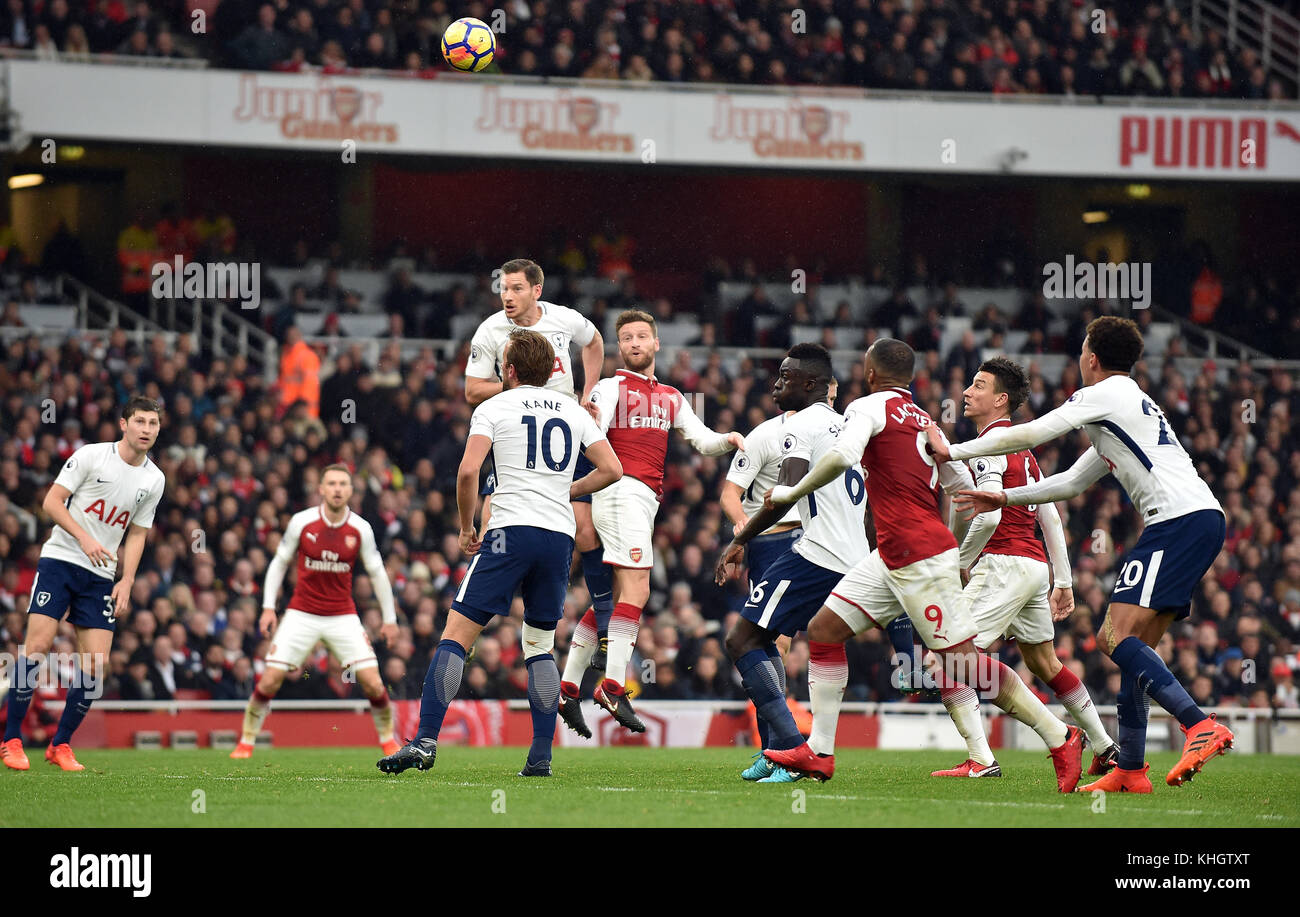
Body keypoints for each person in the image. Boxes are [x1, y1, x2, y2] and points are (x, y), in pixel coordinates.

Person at [762, 340, 1085, 791]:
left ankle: (1060, 735)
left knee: (963, 665)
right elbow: (959, 485)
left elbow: (842, 456)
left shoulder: (867, 406)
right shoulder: (925, 420)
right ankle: (820, 750)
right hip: (898, 553)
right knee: (824, 630)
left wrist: (790, 493)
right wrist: (950, 542)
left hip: (917, 556)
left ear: (871, 373)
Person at [929, 317, 1231, 792]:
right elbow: (1070, 482)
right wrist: (1006, 498)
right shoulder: (1122, 407)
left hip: (1177, 521)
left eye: (1082, 349)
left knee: (1111, 638)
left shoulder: (1103, 394)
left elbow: (1032, 434)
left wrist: (950, 450)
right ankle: (1129, 768)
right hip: (1196, 519)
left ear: (1091, 357)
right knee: (1135, 648)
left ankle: (1198, 724)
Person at [380, 329, 621, 777]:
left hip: (509, 531)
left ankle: (426, 741)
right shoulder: (573, 411)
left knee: (456, 635)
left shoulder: (492, 406)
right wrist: (569, 489)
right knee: (539, 645)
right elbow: (613, 469)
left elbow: (469, 469)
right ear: (552, 369)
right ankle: (540, 758)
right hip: (557, 538)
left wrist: (466, 524)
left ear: (508, 370)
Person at [931, 357, 1117, 780]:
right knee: (1044, 663)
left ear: (1000, 400)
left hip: (1003, 565)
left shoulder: (992, 444)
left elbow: (991, 516)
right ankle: (1105, 746)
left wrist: (958, 562)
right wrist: (1063, 580)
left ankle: (982, 757)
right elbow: (1049, 514)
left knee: (950, 658)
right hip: (1033, 566)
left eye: (977, 385)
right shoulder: (1026, 451)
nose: (966, 392)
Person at [558, 310, 743, 735]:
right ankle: (612, 687)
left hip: (642, 501)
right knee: (639, 589)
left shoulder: (672, 396)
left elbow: (701, 440)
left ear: (657, 343)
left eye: (642, 336)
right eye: (627, 338)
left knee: (619, 595)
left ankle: (568, 688)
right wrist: (591, 417)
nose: (635, 343)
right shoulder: (609, 387)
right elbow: (595, 427)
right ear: (619, 347)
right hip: (621, 491)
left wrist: (729, 440)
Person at [713, 344, 870, 783]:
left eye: (785, 377)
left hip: (814, 551)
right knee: (811, 639)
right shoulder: (850, 427)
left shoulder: (802, 425)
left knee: (743, 640)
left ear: (812, 384)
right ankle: (791, 750)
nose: (777, 384)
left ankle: (789, 746)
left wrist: (738, 538)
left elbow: (784, 494)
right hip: (853, 555)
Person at [464, 259, 615, 682]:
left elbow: (596, 341)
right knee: (490, 516)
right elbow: (472, 390)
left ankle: (603, 620)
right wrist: (518, 387)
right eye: (503, 289)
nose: (507, 297)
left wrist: (588, 393)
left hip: (564, 433)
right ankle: (479, 613)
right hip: (515, 430)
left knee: (584, 527)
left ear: (537, 290)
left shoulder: (564, 320)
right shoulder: (491, 331)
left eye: (515, 288)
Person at [2, 397, 166, 771]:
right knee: (38, 646)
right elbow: (52, 502)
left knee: (95, 667)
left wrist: (126, 580)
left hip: (101, 576)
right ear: (123, 424)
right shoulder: (92, 456)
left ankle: (60, 745)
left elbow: (138, 534)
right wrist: (85, 538)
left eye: (153, 424)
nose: (146, 429)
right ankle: (11, 739)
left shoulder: (154, 479)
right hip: (61, 560)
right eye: (139, 421)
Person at [229, 464, 400, 759]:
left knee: (372, 682)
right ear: (321, 489)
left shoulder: (361, 528)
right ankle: (246, 741)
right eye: (331, 483)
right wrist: (269, 608)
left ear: (350, 490)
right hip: (301, 613)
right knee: (270, 679)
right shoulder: (301, 522)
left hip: (342, 615)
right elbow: (280, 562)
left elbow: (378, 573)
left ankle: (388, 741)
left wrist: (390, 620)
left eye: (342, 484)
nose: (337, 489)